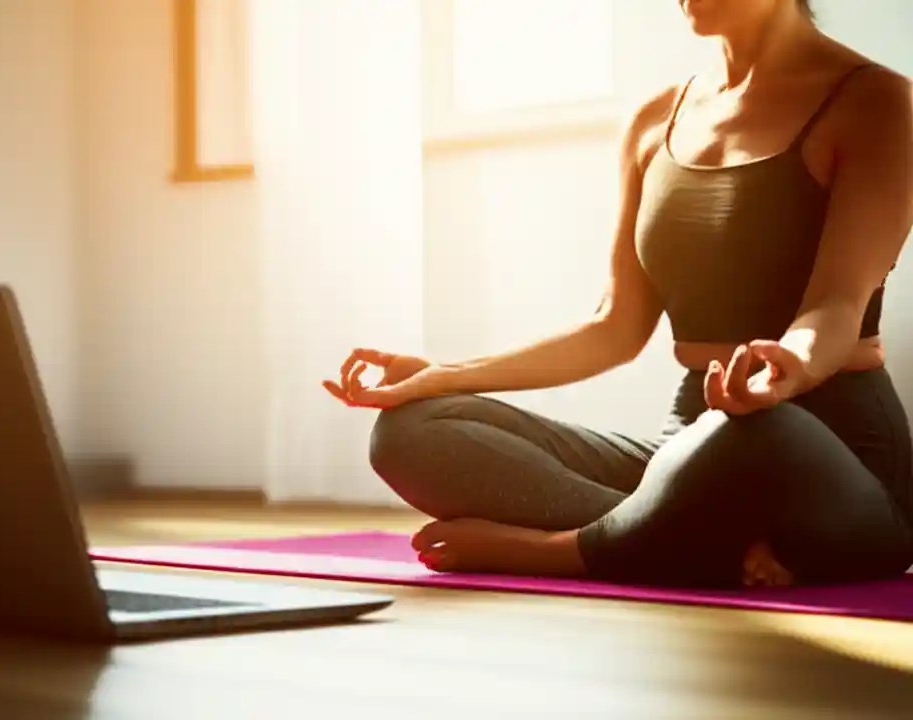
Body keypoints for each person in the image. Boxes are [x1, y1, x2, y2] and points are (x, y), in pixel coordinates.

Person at [323, 0, 913, 588]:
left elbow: (837, 304)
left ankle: (562, 549)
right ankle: (694, 543)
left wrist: (791, 366)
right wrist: (443, 376)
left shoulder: (877, 102)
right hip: (688, 445)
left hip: (826, 452)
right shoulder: (656, 121)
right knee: (410, 430)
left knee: (746, 433)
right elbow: (614, 327)